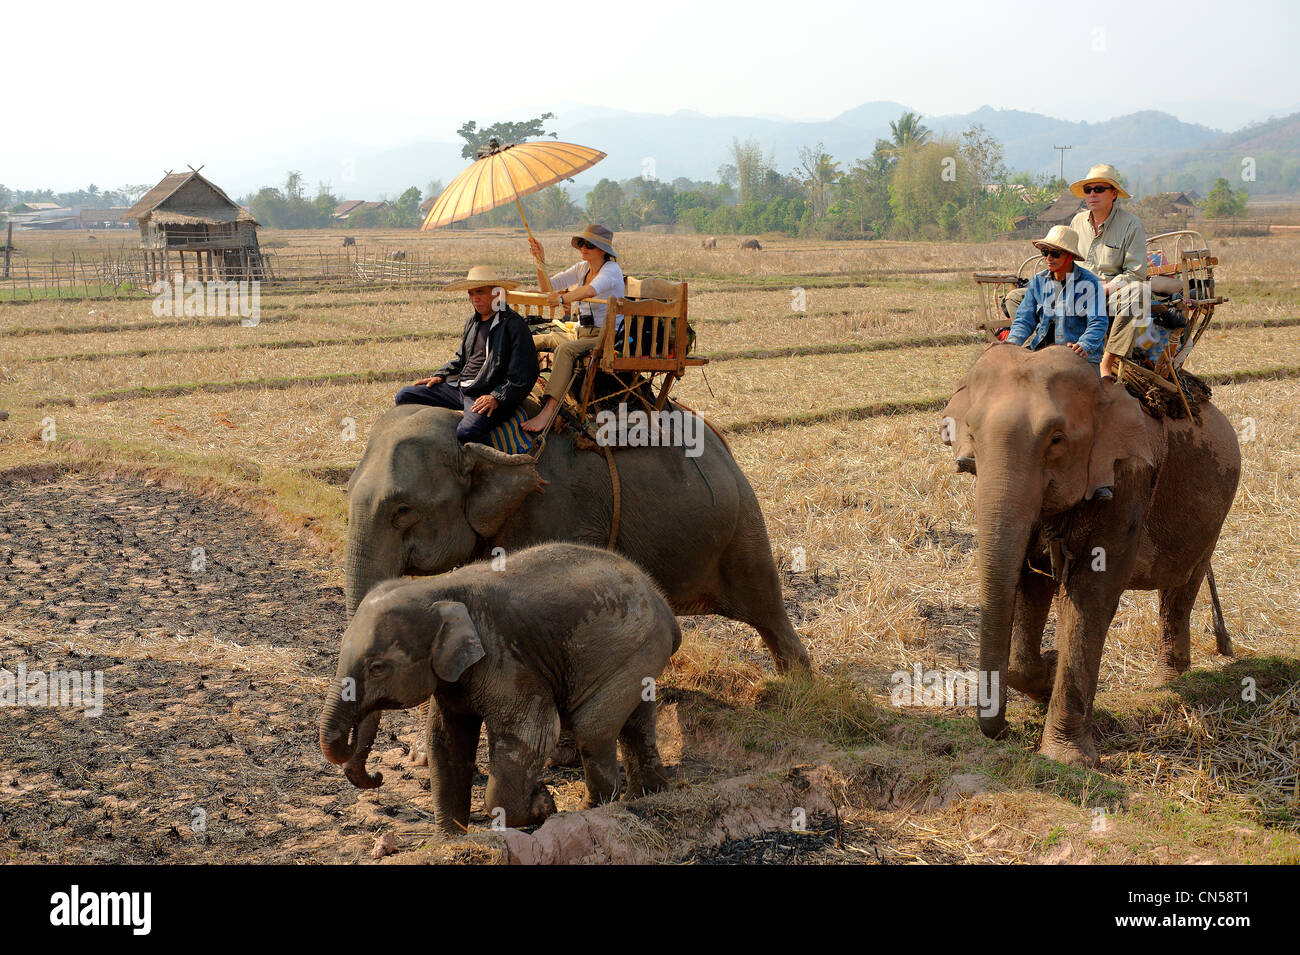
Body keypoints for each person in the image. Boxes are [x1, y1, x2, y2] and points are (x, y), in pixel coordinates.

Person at [395, 266, 538, 444]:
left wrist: (497, 397)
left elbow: (524, 373)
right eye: (470, 294)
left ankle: (493, 466)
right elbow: (462, 359)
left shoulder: (513, 324)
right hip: (461, 388)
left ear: (497, 293)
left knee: (468, 431)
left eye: (480, 292)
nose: (474, 299)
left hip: (485, 393)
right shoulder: (473, 321)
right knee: (404, 395)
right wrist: (441, 375)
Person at [520, 224, 625, 434]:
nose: (584, 248)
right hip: (580, 333)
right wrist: (540, 260)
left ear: (603, 250)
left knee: (565, 350)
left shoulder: (611, 270)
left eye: (590, 245)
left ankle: (548, 410)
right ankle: (517, 386)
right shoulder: (582, 268)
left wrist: (561, 298)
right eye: (581, 244)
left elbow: (589, 290)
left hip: (605, 337)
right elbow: (547, 286)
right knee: (534, 340)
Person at [1068, 163, 1148, 378]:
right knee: (1016, 297)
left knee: (1139, 293)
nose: (1092, 194)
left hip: (1108, 292)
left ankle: (1107, 360)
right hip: (1075, 289)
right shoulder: (1076, 222)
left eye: (1099, 189)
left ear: (1113, 194)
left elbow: (1135, 274)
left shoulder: (1131, 225)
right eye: (1088, 190)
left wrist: (1100, 290)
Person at [1005, 226, 1109, 369]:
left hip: (1077, 356)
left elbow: (1098, 323)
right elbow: (1024, 320)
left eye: (1055, 253)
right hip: (1042, 353)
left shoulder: (1090, 283)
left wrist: (1083, 345)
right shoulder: (1038, 281)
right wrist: (1012, 342)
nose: (1048, 258)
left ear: (1070, 256)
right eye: (1045, 252)